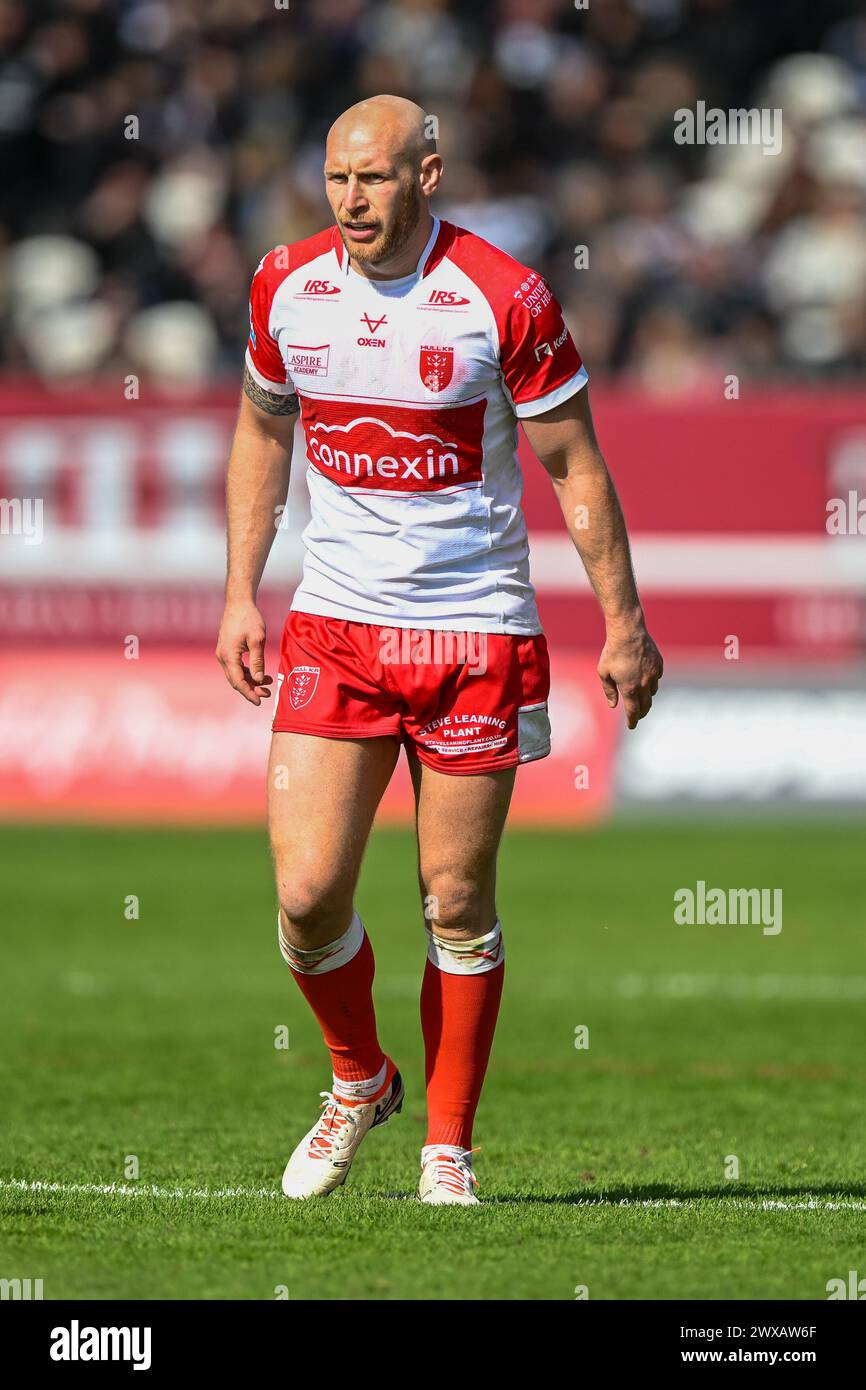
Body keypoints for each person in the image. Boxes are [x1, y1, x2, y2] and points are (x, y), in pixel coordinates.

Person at [216, 94, 663, 1205]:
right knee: (308, 890)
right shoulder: (285, 285)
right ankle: (360, 1078)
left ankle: (446, 1147)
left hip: (475, 631)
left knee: (452, 897)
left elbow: (573, 466)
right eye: (334, 179)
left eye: (371, 178)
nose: (350, 200)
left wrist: (623, 623)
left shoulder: (502, 297)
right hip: (336, 626)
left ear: (427, 174)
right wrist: (238, 593)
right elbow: (263, 432)